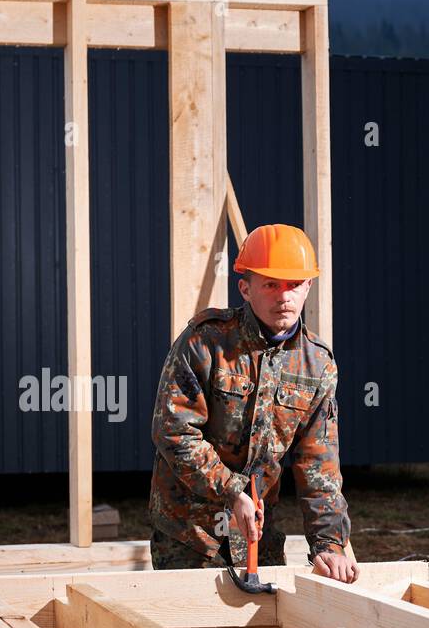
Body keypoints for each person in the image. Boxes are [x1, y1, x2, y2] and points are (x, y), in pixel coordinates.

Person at [148, 223, 358, 582]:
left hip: (258, 533)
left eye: (294, 285)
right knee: (187, 627)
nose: (284, 297)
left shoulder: (317, 365)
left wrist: (328, 544)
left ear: (308, 286)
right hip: (189, 532)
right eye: (271, 285)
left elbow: (318, 465)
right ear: (246, 288)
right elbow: (174, 433)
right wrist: (232, 491)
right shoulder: (206, 343)